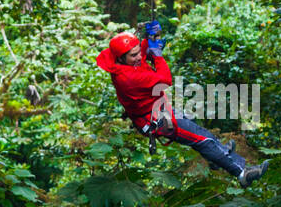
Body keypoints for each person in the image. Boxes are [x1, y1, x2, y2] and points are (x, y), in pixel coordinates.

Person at [95, 25, 268, 186]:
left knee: (200, 133)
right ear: (121, 58)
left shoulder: (123, 62)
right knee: (202, 140)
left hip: (160, 110)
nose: (139, 56)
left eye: (138, 52)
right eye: (134, 55)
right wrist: (157, 55)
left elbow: (143, 52)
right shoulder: (128, 78)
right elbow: (165, 80)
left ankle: (218, 156)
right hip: (157, 119)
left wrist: (151, 37)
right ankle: (241, 173)